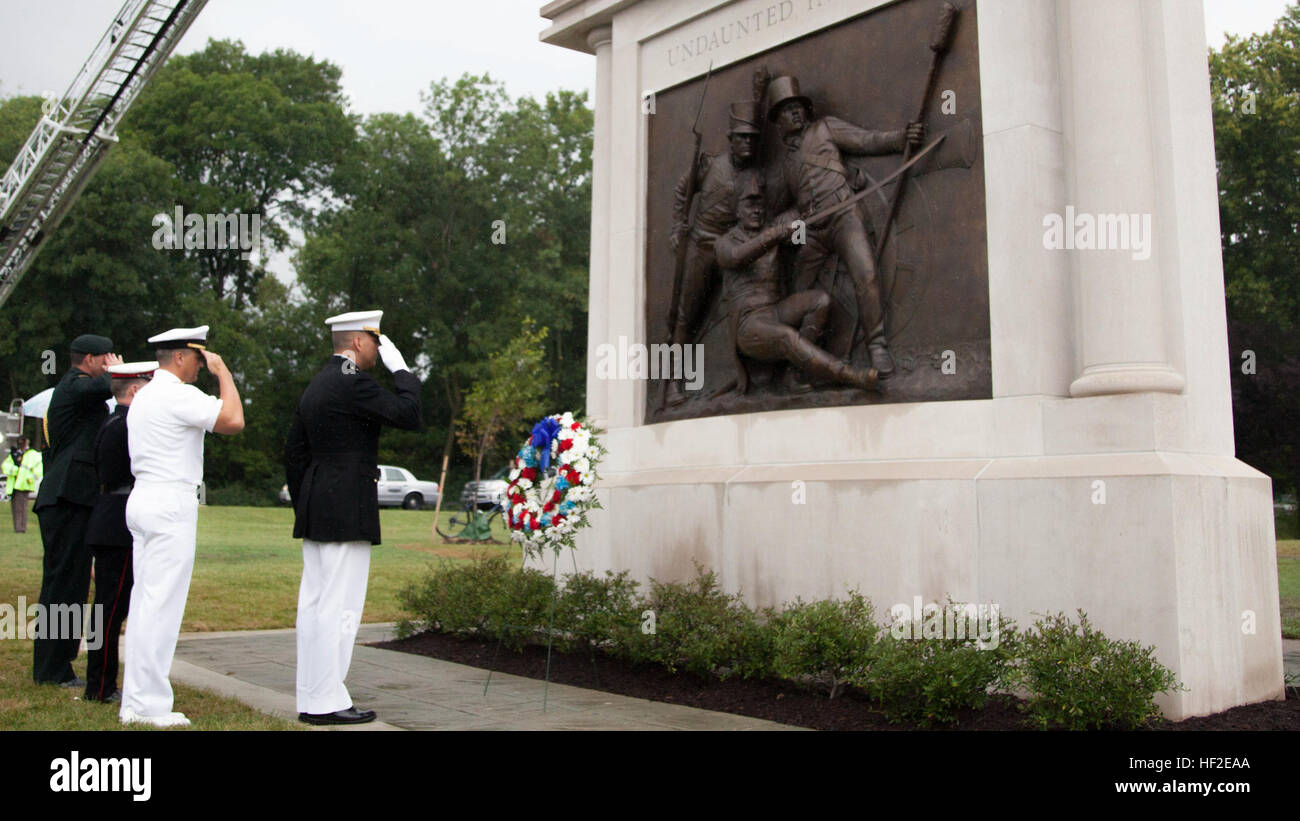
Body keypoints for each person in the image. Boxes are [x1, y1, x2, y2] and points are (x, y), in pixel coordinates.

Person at [285, 310, 421, 725]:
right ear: (360, 341)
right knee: (340, 606)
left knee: (314, 605)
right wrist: (403, 371)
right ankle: (328, 699)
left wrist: (305, 502)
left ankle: (312, 696)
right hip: (346, 505)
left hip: (318, 504)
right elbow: (408, 414)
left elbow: (294, 452)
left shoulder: (318, 383)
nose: (379, 353)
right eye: (377, 344)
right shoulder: (353, 382)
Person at [120, 327, 243, 728]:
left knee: (144, 605)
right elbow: (233, 420)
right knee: (161, 607)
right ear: (179, 357)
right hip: (170, 501)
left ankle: (136, 700)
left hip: (143, 498)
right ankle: (149, 705)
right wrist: (223, 372)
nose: (200, 364)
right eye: (198, 356)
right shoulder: (176, 393)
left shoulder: (145, 394)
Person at [767, 75, 924, 378]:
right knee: (799, 293)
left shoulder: (825, 129)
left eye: (798, 107)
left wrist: (901, 138)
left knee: (865, 273)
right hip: (813, 230)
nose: (796, 112)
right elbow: (783, 206)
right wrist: (785, 220)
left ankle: (877, 346)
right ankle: (802, 359)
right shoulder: (785, 166)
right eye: (787, 110)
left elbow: (867, 140)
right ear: (778, 122)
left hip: (844, 216)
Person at [717, 181, 880, 394]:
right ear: (736, 210)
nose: (757, 210)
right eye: (750, 204)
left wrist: (806, 218)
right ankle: (849, 376)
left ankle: (794, 374)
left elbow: (801, 238)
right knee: (787, 337)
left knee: (820, 301)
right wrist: (775, 234)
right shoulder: (724, 242)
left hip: (776, 311)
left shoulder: (772, 230)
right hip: (748, 323)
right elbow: (737, 257)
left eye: (760, 204)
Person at [32, 334, 121, 687]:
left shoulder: (80, 387)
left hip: (71, 499)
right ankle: (53, 670)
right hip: (67, 498)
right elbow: (103, 389)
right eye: (106, 358)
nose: (111, 361)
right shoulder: (74, 385)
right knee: (64, 586)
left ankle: (55, 666)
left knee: (67, 584)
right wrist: (118, 373)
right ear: (88, 359)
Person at [665, 101, 763, 406]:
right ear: (730, 139)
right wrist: (678, 225)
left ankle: (745, 378)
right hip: (701, 246)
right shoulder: (709, 165)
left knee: (743, 309)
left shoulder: (756, 176)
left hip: (731, 248)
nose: (748, 143)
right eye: (742, 137)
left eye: (752, 138)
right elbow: (683, 190)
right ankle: (673, 383)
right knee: (685, 317)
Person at [83, 361, 155, 704]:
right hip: (118, 521)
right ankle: (100, 685)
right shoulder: (128, 425)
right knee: (111, 609)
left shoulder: (112, 420)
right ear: (136, 391)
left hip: (107, 514)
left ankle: (99, 681)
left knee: (106, 608)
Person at [3, 436, 42, 533]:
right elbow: (5, 466)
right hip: (15, 485)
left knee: (22, 507)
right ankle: (18, 527)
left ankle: (21, 528)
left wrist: (30, 479)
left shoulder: (32, 454)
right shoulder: (14, 455)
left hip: (24, 484)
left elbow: (38, 470)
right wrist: (16, 471)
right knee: (16, 508)